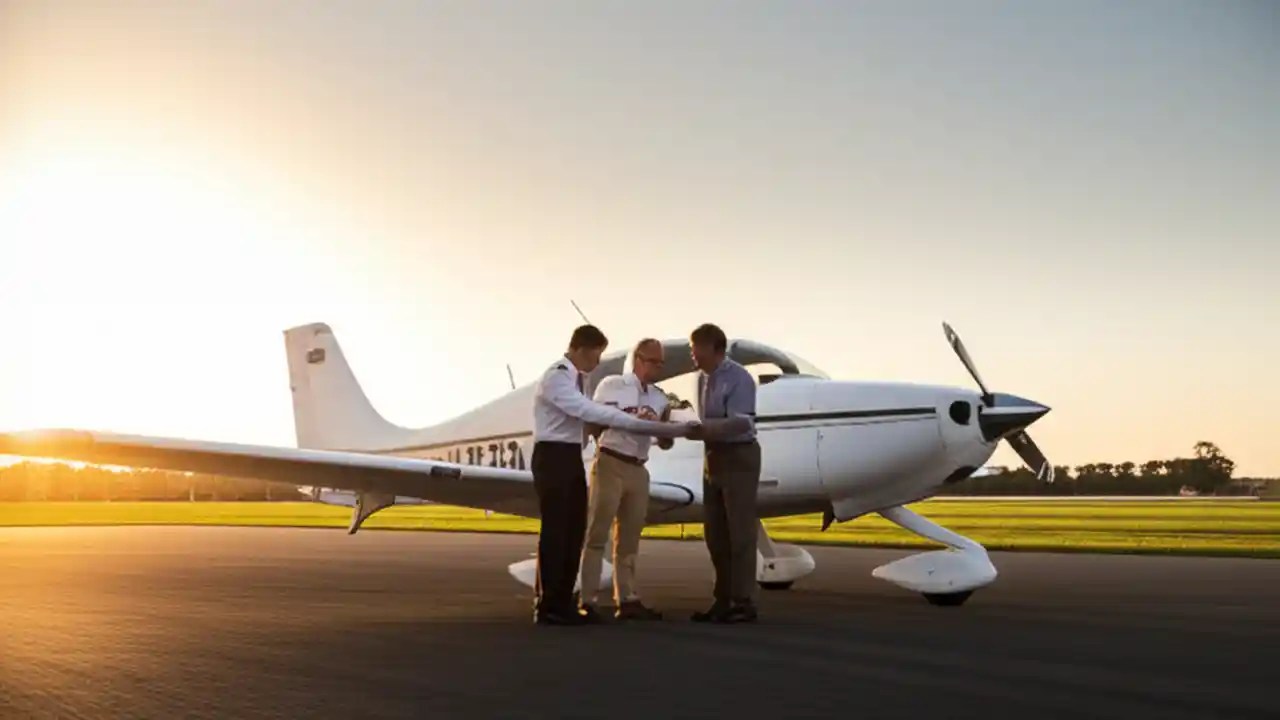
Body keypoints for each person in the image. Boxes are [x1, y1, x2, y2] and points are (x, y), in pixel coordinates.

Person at [531, 324, 693, 626]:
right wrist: (635, 421)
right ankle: (557, 603)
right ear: (583, 349)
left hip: (579, 458)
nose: (597, 362)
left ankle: (567, 601)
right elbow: (589, 413)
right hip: (561, 456)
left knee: (574, 529)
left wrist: (666, 427)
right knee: (563, 530)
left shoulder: (658, 396)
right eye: (596, 354)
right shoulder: (560, 376)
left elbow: (663, 435)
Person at [578, 339, 672, 622]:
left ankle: (627, 598)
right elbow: (592, 425)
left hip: (638, 468)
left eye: (660, 362)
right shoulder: (611, 385)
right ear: (638, 359)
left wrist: (659, 425)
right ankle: (587, 599)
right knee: (597, 533)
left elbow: (666, 442)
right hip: (610, 461)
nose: (657, 367)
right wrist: (627, 417)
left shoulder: (661, 397)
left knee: (629, 538)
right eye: (653, 361)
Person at [686, 322, 762, 623]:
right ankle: (723, 599)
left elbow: (743, 422)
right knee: (715, 533)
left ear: (713, 348)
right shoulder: (702, 379)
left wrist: (703, 429)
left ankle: (743, 602)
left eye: (696, 349)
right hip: (713, 456)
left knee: (740, 532)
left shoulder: (739, 378)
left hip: (739, 456)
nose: (693, 355)